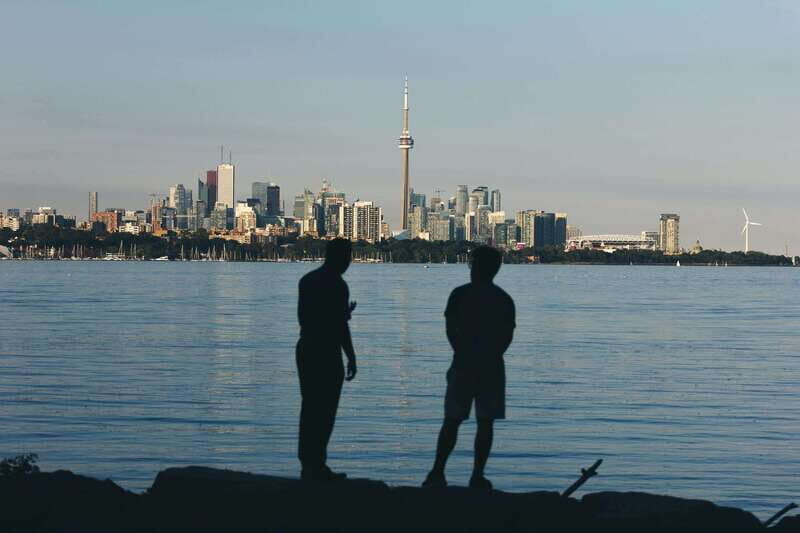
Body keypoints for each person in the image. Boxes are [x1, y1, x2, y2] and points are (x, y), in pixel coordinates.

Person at [423, 246, 515, 490]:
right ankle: (477, 475)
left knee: (452, 420)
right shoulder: (503, 299)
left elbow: (451, 329)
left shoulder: (459, 294)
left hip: (463, 364)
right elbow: (507, 335)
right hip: (492, 366)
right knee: (485, 422)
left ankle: (437, 472)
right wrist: (492, 355)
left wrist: (461, 353)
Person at [296, 238, 358, 482]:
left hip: (307, 348)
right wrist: (351, 356)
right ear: (340, 257)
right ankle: (317, 463)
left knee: (310, 406)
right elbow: (338, 325)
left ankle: (308, 463)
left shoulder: (308, 281)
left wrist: (339, 316)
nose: (349, 262)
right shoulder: (338, 285)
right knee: (326, 410)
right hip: (326, 351)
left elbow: (305, 319)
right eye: (348, 257)